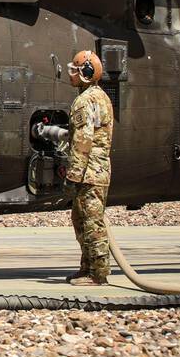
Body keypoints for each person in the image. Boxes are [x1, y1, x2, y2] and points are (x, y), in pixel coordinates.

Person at [64, 49, 115, 286]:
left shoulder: (84, 101)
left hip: (88, 172)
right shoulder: (101, 97)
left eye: (74, 70)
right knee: (82, 219)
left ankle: (98, 274)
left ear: (85, 72)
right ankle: (87, 268)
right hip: (97, 170)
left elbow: (82, 141)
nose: (71, 74)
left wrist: (73, 174)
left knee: (92, 224)